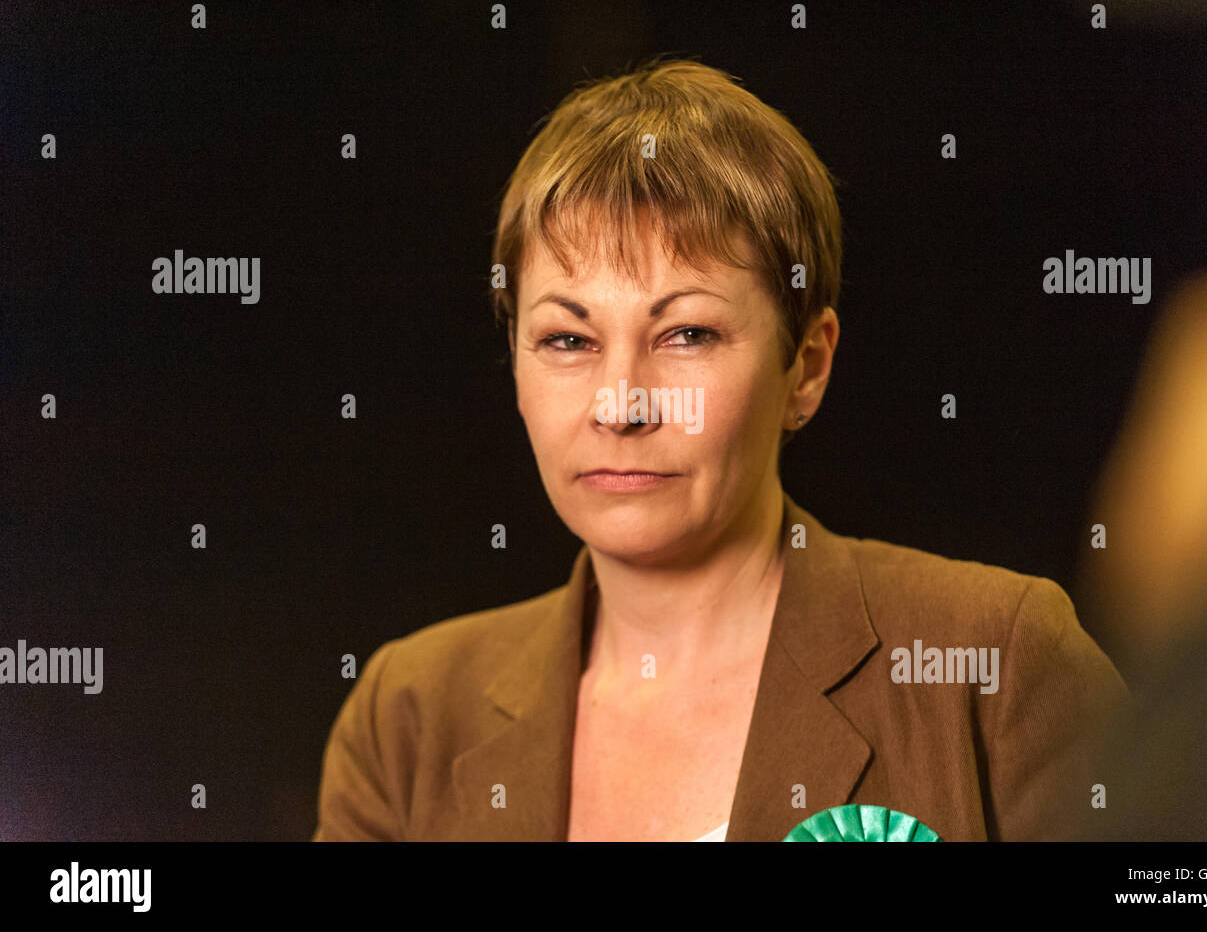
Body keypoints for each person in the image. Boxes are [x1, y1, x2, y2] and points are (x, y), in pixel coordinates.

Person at [313, 57, 1129, 842]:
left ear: (807, 365)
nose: (622, 403)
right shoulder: (407, 716)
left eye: (687, 333)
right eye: (567, 338)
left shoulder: (993, 659)